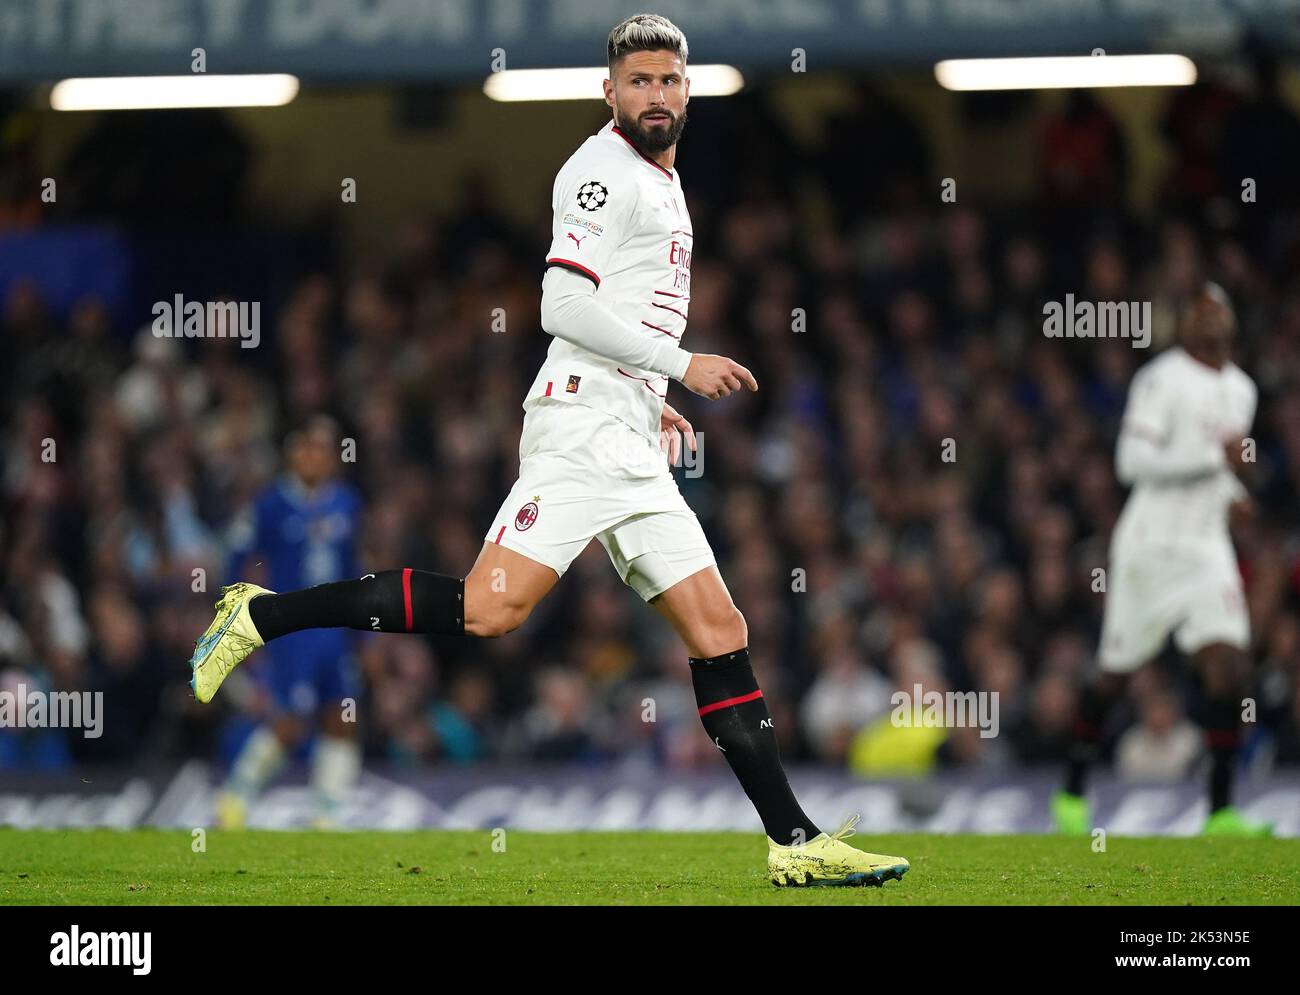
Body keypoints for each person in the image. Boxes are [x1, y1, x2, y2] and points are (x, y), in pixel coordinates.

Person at [189, 13, 907, 887]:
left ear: (689, 90)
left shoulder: (663, 180)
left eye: (669, 81)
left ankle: (795, 843)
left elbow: (621, 314)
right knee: (492, 609)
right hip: (582, 430)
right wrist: (681, 365)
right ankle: (258, 615)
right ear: (610, 93)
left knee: (720, 628)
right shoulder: (601, 171)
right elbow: (561, 306)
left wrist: (653, 396)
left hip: (625, 424)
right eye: (637, 82)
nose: (655, 95)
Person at [1053, 283, 1271, 836]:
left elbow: (1226, 467)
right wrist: (1208, 460)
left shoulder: (1243, 389)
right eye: (1199, 312)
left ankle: (1221, 812)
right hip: (1148, 546)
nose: (1210, 320)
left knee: (1228, 667)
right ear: (1183, 325)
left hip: (1205, 547)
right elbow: (1131, 461)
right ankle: (1072, 788)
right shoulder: (1160, 379)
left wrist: (1234, 497)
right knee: (1116, 676)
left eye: (1218, 310)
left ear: (1232, 321)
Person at [214, 415, 363, 829]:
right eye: (306, 448)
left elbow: (354, 565)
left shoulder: (347, 503)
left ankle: (325, 816)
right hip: (293, 629)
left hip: (336, 630)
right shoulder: (270, 504)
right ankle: (236, 796)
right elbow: (236, 555)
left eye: (322, 449)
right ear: (293, 454)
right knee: (289, 722)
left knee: (343, 716)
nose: (313, 457)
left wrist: (364, 631)